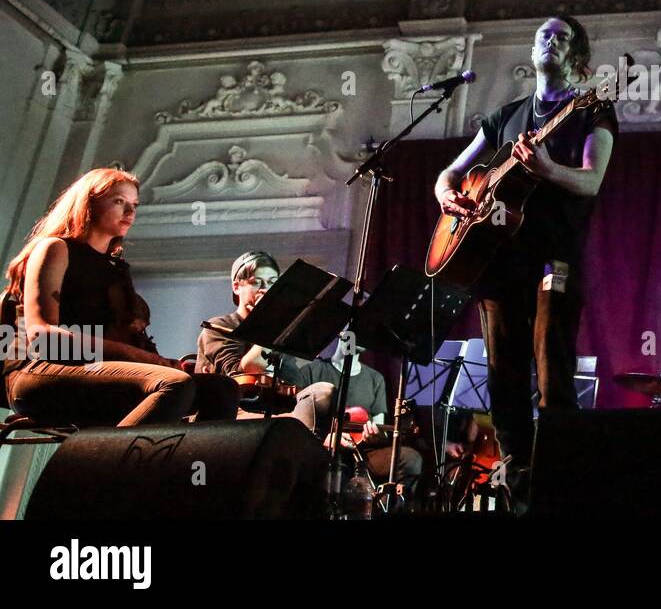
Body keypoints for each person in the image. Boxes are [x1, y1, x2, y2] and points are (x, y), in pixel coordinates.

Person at [434, 15, 616, 505]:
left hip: (554, 262)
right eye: (543, 34)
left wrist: (548, 168)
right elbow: (450, 172)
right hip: (497, 265)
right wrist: (450, 196)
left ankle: (561, 484)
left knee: (553, 377)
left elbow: (591, 180)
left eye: (561, 37)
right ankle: (519, 489)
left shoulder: (591, 113)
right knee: (503, 381)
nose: (549, 41)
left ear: (575, 56)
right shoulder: (504, 116)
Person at [2, 168, 237, 426]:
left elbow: (123, 341)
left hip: (94, 370)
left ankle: (176, 463)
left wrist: (164, 361)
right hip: (41, 370)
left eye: (134, 204)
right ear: (88, 203)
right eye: (119, 201)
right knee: (174, 384)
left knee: (222, 389)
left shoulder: (116, 269)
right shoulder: (56, 248)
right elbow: (42, 336)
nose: (130, 212)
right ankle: (109, 463)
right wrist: (147, 360)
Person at [196, 251, 334, 435]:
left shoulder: (287, 332)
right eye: (256, 282)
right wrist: (271, 322)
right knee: (294, 429)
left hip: (282, 412)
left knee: (323, 391)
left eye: (271, 283)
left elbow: (296, 386)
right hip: (232, 412)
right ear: (237, 287)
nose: (264, 289)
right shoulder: (218, 326)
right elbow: (245, 376)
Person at [282, 341, 423, 496]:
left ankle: (381, 508)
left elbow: (379, 430)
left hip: (362, 453)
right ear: (343, 332)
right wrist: (325, 438)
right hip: (320, 448)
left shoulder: (375, 379)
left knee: (410, 459)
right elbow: (294, 420)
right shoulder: (311, 370)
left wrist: (373, 436)